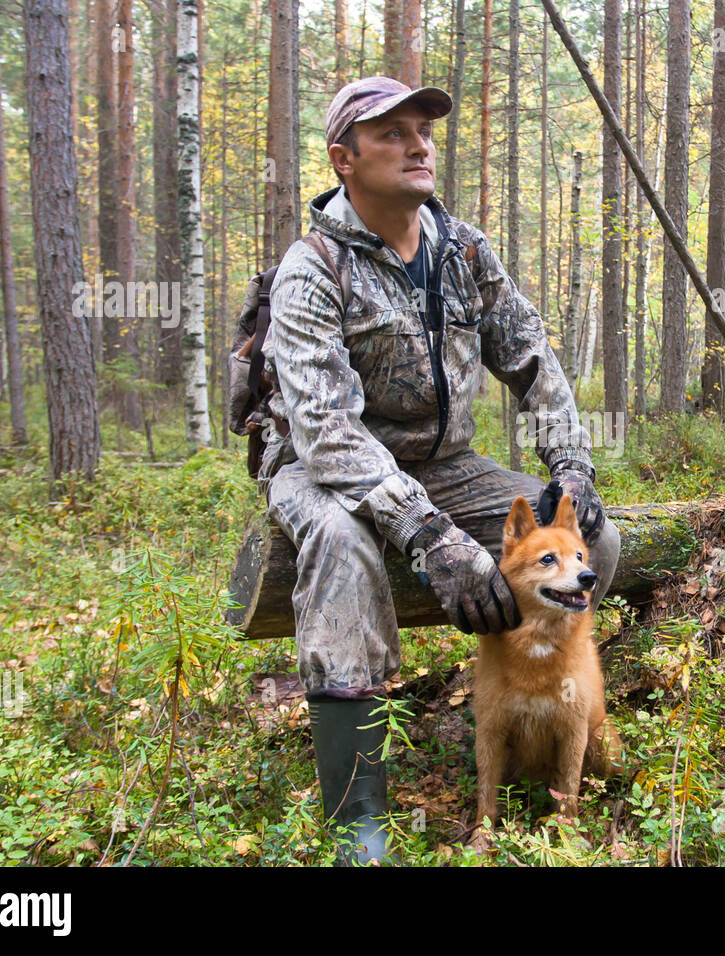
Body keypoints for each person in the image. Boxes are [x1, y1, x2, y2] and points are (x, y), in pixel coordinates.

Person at [258, 76, 620, 865]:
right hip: (326, 468)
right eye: (391, 133)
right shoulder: (312, 269)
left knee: (599, 540)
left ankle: (543, 715)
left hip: (445, 461)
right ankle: (359, 813)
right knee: (345, 553)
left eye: (423, 129)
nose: (419, 143)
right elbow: (325, 434)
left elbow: (534, 362)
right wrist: (435, 537)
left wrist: (572, 468)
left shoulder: (463, 251)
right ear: (343, 160)